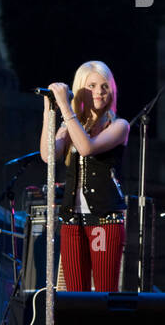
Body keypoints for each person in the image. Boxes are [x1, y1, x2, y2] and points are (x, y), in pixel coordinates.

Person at [39, 61, 129, 292]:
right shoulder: (71, 126)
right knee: (75, 296)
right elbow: (49, 155)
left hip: (105, 221)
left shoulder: (119, 126)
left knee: (104, 294)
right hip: (72, 220)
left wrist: (67, 109)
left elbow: (87, 147)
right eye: (91, 86)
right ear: (81, 89)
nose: (99, 91)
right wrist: (49, 111)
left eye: (104, 86)